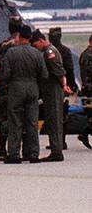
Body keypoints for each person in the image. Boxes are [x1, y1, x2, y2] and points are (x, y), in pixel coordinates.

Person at [0, 24, 47, 164]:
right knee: (32, 122)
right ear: (31, 37)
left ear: (18, 36)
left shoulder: (11, 53)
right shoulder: (37, 54)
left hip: (16, 88)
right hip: (32, 88)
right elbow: (44, 75)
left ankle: (14, 154)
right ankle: (33, 154)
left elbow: (6, 75)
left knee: (15, 121)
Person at [32, 30, 68, 162]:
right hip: (51, 89)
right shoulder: (48, 51)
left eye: (36, 44)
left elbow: (58, 71)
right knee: (52, 119)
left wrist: (63, 84)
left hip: (53, 89)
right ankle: (56, 149)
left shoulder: (49, 52)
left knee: (54, 120)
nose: (36, 47)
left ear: (41, 40)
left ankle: (56, 151)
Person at [0, 16, 22, 158]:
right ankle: (21, 148)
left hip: (6, 86)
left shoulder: (4, 45)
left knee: (5, 116)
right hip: (22, 85)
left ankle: (3, 146)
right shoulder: (26, 44)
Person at [48, 27, 76, 148]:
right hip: (62, 85)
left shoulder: (49, 51)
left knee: (55, 115)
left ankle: (58, 141)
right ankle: (60, 141)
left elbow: (69, 69)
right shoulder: (65, 51)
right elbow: (70, 69)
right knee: (61, 114)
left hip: (55, 85)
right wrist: (72, 85)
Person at [78, 33, 92, 150]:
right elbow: (87, 74)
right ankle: (84, 133)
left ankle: (84, 133)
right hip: (90, 89)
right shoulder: (88, 55)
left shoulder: (86, 54)